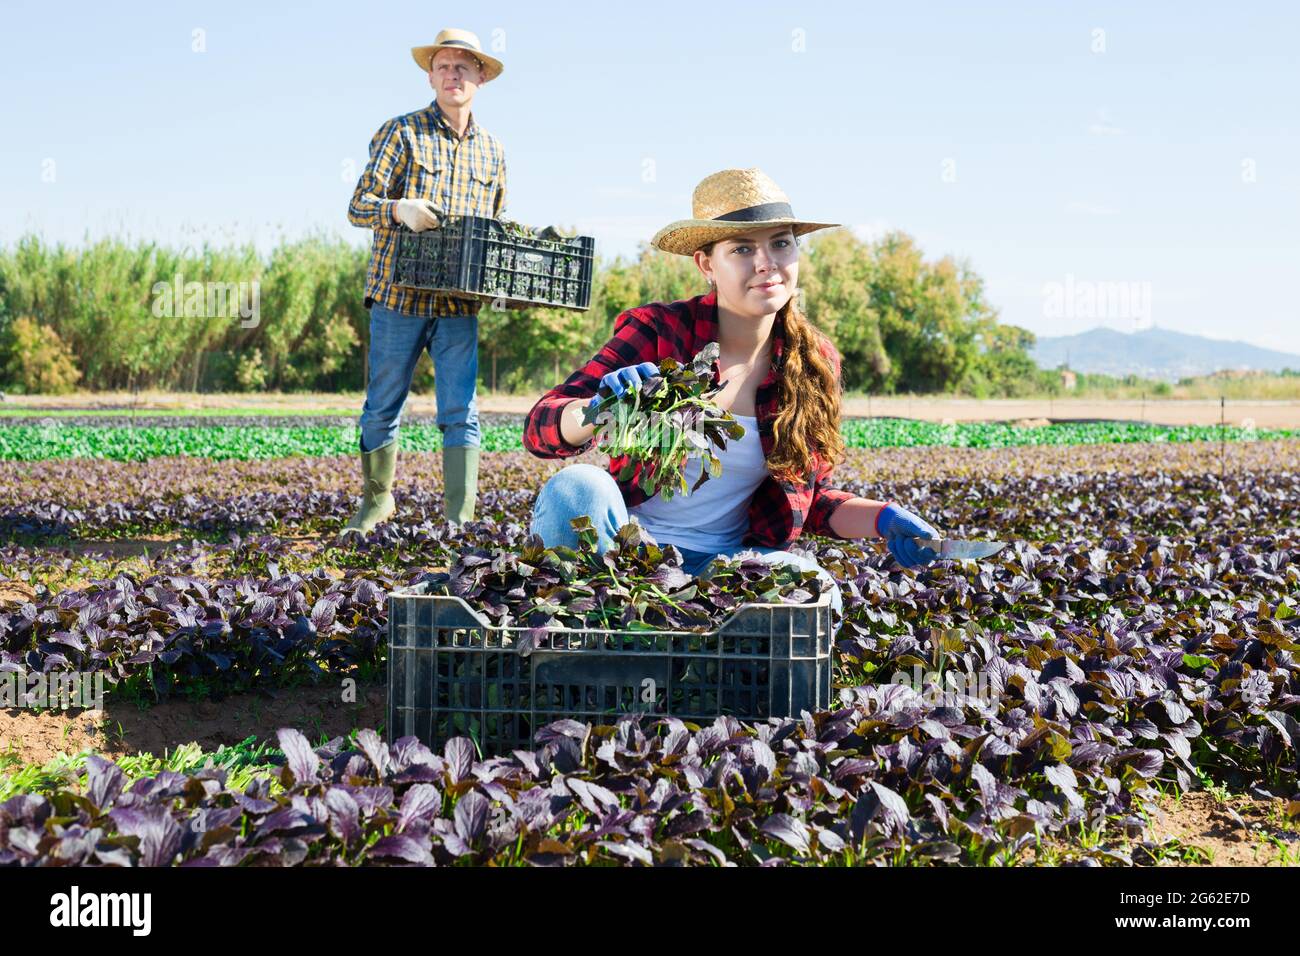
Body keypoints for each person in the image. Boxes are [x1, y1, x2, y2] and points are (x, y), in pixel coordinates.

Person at [522, 168, 942, 616]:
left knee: (815, 588)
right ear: (706, 263)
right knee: (577, 487)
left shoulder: (814, 362)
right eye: (743, 248)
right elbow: (540, 426)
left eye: (780, 243)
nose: (767, 262)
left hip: (725, 569)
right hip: (622, 550)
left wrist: (884, 517)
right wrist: (594, 408)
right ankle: (593, 640)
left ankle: (698, 659)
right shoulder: (661, 331)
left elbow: (813, 500)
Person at [343, 27, 507, 533]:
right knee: (382, 406)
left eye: (463, 66)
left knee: (461, 411)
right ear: (431, 75)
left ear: (480, 76)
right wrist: (398, 209)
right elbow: (357, 206)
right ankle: (376, 503)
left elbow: (495, 225)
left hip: (459, 306)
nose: (452, 74)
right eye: (443, 66)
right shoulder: (402, 132)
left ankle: (459, 520)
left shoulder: (493, 152)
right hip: (399, 294)